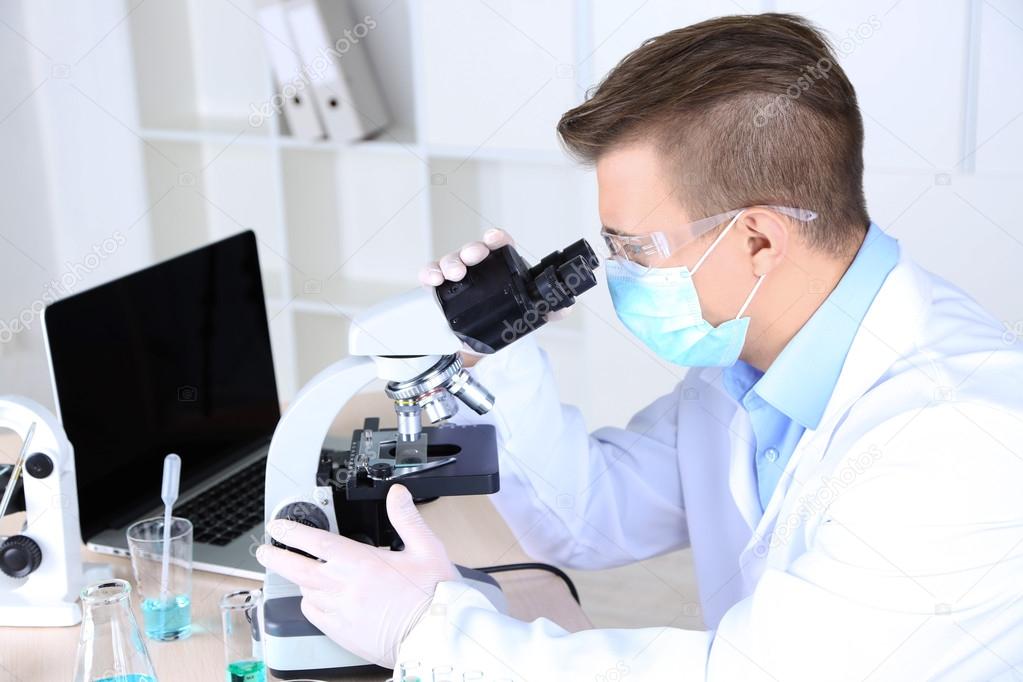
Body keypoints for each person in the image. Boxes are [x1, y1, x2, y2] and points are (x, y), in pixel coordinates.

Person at [256, 13, 1023, 680]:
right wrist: (497, 347)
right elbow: (588, 517)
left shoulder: (961, 441)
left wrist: (426, 631)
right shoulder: (753, 367)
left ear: (757, 239)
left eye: (633, 247)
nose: (613, 270)